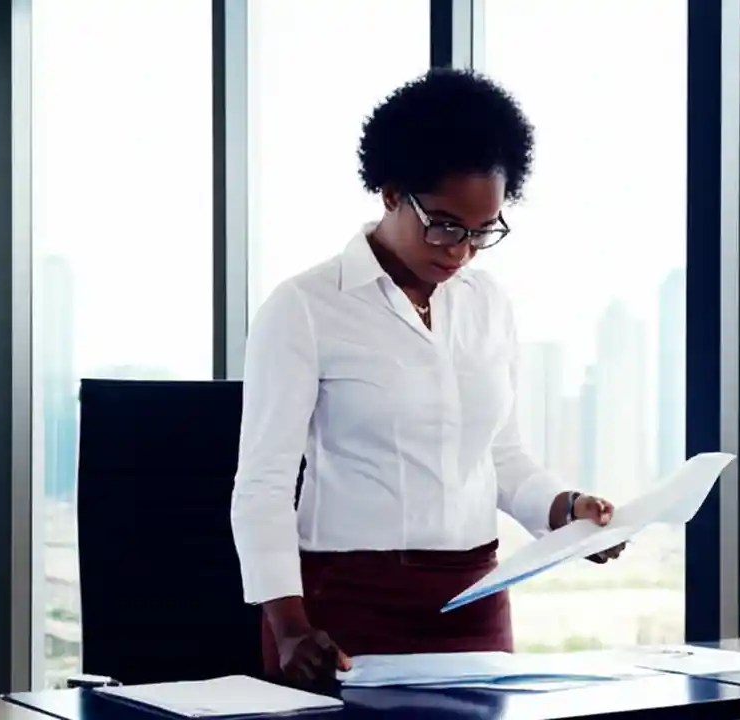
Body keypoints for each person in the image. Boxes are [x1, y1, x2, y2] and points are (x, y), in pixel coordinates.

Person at [230, 68, 625, 689]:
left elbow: (501, 457)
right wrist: (287, 627)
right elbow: (262, 485)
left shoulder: (487, 302)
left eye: (480, 232)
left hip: (476, 599)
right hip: (344, 608)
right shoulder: (306, 306)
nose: (459, 251)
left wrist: (564, 510)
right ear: (390, 192)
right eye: (443, 224)